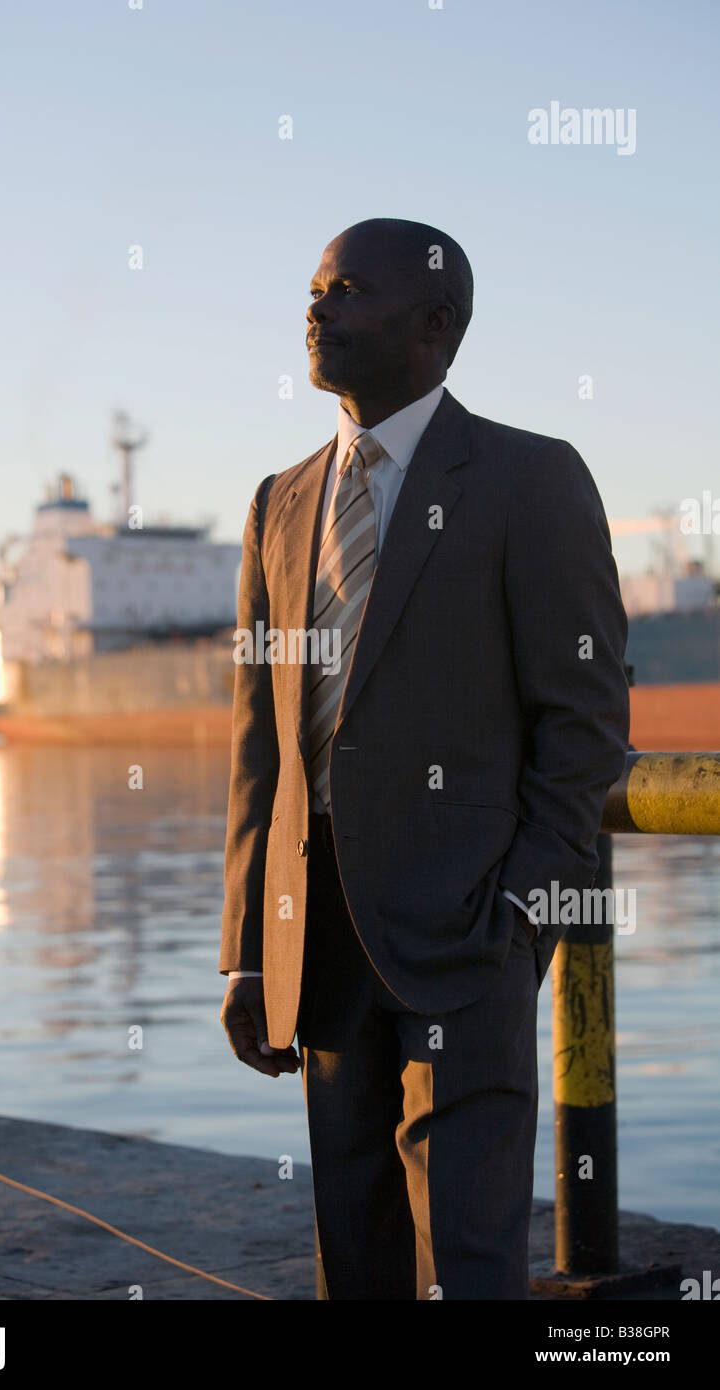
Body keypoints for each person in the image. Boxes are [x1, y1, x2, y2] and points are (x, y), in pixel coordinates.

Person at [219, 217, 630, 1300]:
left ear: (434, 324)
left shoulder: (527, 479)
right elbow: (261, 743)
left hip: (468, 934)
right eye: (314, 287)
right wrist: (247, 948)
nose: (317, 308)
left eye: (348, 289)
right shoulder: (278, 502)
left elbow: (583, 718)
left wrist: (521, 910)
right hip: (317, 944)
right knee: (351, 1256)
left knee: (465, 1261)